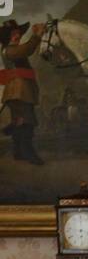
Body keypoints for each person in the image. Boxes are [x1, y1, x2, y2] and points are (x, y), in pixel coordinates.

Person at [1, 19, 45, 164]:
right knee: (27, 121)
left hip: (19, 91)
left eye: (18, 33)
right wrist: (37, 35)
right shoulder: (10, 50)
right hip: (19, 91)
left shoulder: (11, 49)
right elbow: (28, 49)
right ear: (7, 37)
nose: (17, 35)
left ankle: (18, 152)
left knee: (19, 121)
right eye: (13, 34)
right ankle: (28, 153)